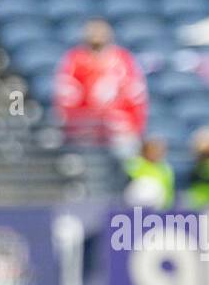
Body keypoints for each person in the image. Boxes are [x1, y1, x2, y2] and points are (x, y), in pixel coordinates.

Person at [54, 18, 147, 156]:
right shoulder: (74, 60)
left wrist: (131, 126)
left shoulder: (123, 59)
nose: (97, 35)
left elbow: (135, 95)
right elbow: (66, 96)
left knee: (125, 152)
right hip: (85, 129)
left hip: (118, 129)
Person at [124, 137, 174, 209]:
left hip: (159, 206)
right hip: (134, 205)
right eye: (152, 150)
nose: (156, 153)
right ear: (144, 151)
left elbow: (168, 190)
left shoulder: (165, 169)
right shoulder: (135, 164)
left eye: (158, 151)